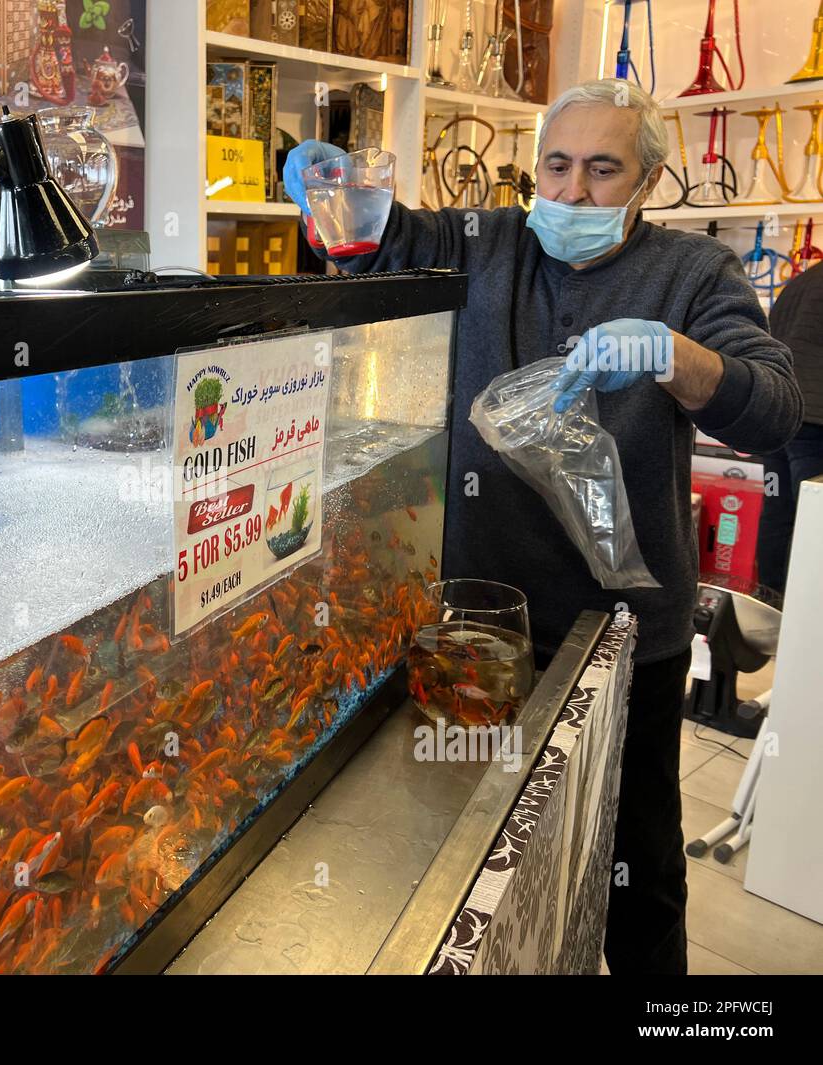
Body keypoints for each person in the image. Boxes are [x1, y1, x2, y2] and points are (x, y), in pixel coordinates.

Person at [285, 78, 802, 975]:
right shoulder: (488, 240)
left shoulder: (692, 272)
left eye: (604, 170)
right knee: (474, 847)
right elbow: (379, 247)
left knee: (636, 865)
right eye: (555, 166)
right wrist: (334, 193)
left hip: (625, 636)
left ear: (648, 179)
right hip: (483, 623)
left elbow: (775, 411)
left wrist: (675, 355)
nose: (570, 192)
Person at [756, 264, 823, 595]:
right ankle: (805, 621)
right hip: (815, 425)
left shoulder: (800, 282)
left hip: (778, 419)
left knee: (777, 510)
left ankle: (770, 606)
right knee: (814, 523)